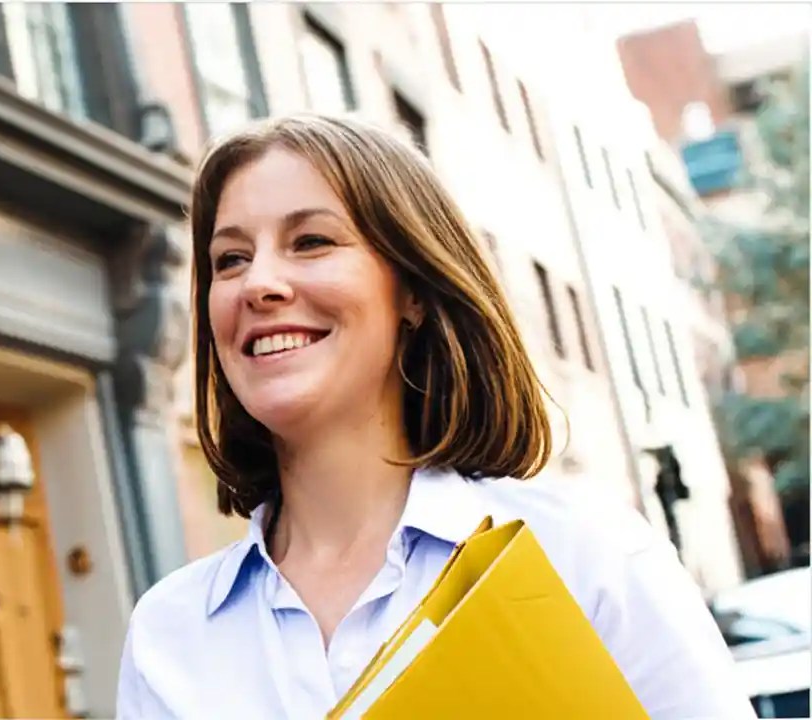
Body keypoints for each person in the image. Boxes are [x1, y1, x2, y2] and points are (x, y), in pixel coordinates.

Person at [116, 115, 756, 719]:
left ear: (414, 292)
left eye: (310, 242)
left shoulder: (587, 556)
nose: (258, 283)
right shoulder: (168, 635)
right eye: (230, 259)